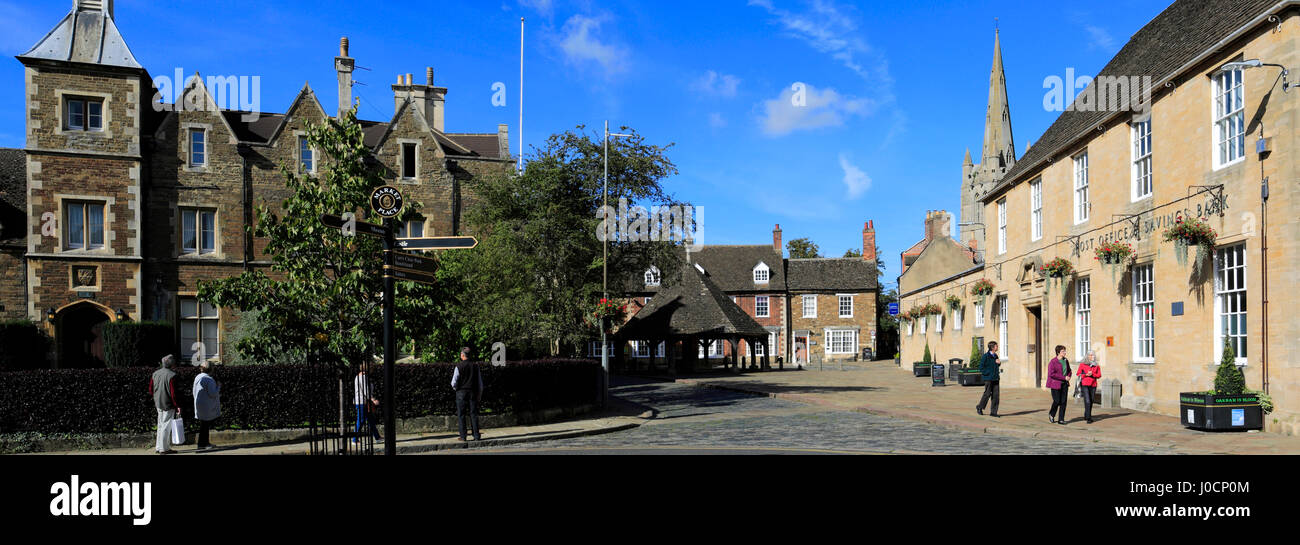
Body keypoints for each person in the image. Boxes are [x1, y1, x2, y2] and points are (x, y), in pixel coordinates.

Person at [148, 354, 181, 454]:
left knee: (160, 425)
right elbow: (173, 393)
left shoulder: (155, 373)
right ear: (172, 365)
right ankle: (164, 448)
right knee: (166, 426)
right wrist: (177, 405)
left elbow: (150, 389)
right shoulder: (172, 375)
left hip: (158, 402)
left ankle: (158, 447)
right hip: (168, 404)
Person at [450, 347, 484, 441]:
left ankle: (463, 436)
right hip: (473, 392)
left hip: (461, 392)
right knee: (473, 414)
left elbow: (453, 382)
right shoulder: (475, 366)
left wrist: (457, 389)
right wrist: (479, 394)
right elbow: (480, 383)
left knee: (461, 415)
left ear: (462, 355)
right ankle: (476, 435)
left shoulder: (459, 366)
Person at [193, 362, 221, 451]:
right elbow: (213, 393)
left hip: (199, 404)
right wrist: (219, 386)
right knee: (205, 426)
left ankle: (205, 443)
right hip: (207, 406)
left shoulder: (198, 377)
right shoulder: (209, 379)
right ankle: (203, 444)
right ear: (211, 369)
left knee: (204, 425)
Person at [354, 363, 381, 443]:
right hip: (362, 402)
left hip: (364, 402)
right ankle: (355, 439)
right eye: (371, 368)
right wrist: (373, 399)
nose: (372, 370)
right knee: (361, 420)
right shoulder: (362, 377)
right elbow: (366, 391)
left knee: (371, 420)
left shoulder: (360, 377)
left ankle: (377, 437)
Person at [1046, 345, 1072, 425]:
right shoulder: (1053, 362)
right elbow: (1051, 374)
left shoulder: (1065, 360)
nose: (1065, 352)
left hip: (1064, 384)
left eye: (1065, 351)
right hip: (1055, 384)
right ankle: (1052, 414)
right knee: (1057, 401)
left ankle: (1061, 419)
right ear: (1058, 352)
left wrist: (1069, 376)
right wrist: (1064, 377)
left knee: (1063, 402)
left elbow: (1069, 370)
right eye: (1063, 351)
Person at [976, 341, 1002, 417]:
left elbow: (996, 365)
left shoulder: (995, 355)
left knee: (996, 396)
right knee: (987, 394)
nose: (997, 347)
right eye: (996, 346)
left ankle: (993, 412)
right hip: (988, 378)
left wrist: (999, 363)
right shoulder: (985, 356)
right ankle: (979, 407)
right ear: (992, 347)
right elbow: (981, 368)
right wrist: (988, 373)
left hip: (996, 378)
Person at [1078, 350, 1102, 424]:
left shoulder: (1096, 365)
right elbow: (1078, 374)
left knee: (1091, 401)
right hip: (1085, 384)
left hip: (1093, 385)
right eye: (1091, 355)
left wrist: (1093, 374)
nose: (1092, 356)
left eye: (1093, 355)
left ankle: (1086, 414)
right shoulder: (1082, 364)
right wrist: (1085, 374)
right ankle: (1089, 418)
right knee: (1087, 401)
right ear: (1087, 356)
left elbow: (1099, 375)